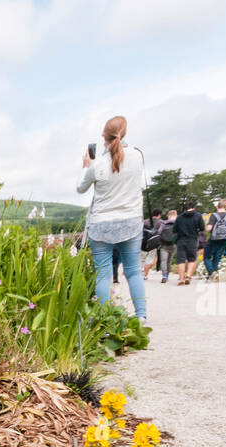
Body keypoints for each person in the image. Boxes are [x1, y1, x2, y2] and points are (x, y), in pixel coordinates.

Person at [75, 115, 147, 318]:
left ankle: (106, 319)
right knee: (133, 272)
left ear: (104, 137)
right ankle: (141, 317)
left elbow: (81, 188)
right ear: (124, 133)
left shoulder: (97, 166)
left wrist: (86, 167)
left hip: (101, 225)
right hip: (131, 222)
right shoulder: (137, 156)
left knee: (103, 276)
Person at [171, 199, 205, 285]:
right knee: (192, 259)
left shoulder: (180, 217)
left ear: (185, 208)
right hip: (192, 240)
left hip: (181, 241)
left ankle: (181, 279)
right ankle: (188, 276)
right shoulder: (198, 216)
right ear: (194, 207)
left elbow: (174, 230)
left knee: (181, 260)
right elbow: (202, 228)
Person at [203, 199, 226, 278]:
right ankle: (214, 273)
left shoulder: (214, 215)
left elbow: (209, 228)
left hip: (213, 239)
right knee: (217, 257)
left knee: (206, 257)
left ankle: (211, 272)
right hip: (224, 239)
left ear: (217, 206)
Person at [141, 210, 163, 280]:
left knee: (141, 259)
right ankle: (145, 275)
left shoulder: (145, 221)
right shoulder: (160, 222)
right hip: (153, 244)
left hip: (143, 243)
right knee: (150, 259)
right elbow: (160, 232)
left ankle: (139, 272)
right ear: (159, 215)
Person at [158, 209, 178, 283]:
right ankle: (168, 275)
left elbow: (159, 232)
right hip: (174, 245)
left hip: (164, 245)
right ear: (176, 215)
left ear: (168, 216)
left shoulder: (163, 223)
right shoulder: (178, 223)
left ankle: (164, 276)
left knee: (163, 261)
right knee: (169, 261)